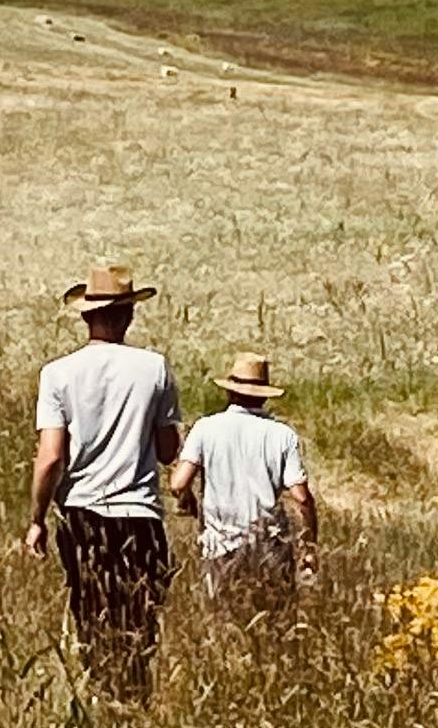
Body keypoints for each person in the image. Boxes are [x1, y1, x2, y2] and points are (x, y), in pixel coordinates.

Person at [26, 267, 182, 702]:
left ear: (86, 316)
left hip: (83, 514)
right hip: (140, 514)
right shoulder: (154, 368)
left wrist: (36, 519)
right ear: (128, 315)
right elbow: (169, 450)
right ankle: (136, 700)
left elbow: (51, 457)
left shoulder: (57, 374)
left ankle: (104, 699)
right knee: (140, 621)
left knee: (92, 616)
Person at [169, 352, 317, 614]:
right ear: (264, 395)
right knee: (273, 623)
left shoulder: (205, 428)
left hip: (220, 546)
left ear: (230, 392)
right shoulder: (282, 435)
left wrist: (194, 508)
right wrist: (309, 545)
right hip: (269, 547)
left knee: (221, 621)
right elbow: (302, 498)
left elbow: (179, 483)